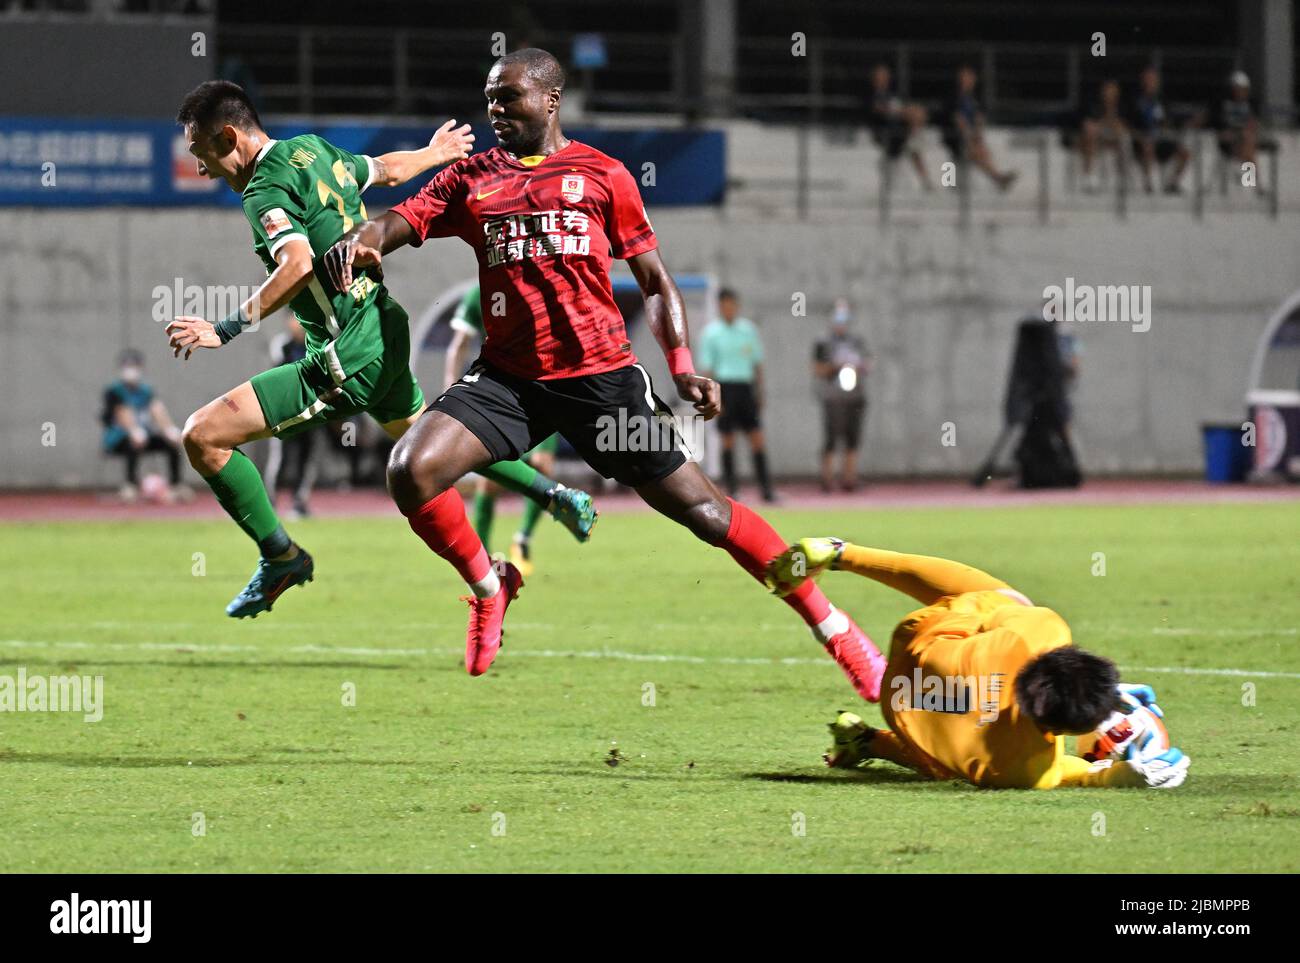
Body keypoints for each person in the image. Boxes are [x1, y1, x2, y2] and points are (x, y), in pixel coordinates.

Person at [324, 48, 883, 696]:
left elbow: (655, 281)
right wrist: (363, 241)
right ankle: (490, 584)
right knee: (410, 470)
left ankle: (836, 629)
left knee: (707, 513)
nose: (496, 110)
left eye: (510, 97)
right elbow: (396, 221)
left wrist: (681, 366)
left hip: (602, 382)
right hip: (510, 381)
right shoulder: (470, 178)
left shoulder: (603, 174)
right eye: (490, 99)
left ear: (551, 99)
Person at [164, 80, 594, 619]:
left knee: (202, 436)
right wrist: (434, 154)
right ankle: (555, 496)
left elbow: (296, 265)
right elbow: (384, 170)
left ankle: (281, 557)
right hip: (384, 330)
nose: (202, 169)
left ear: (229, 137)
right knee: (426, 445)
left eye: (202, 152)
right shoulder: (311, 150)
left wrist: (224, 328)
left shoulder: (263, 190)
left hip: (347, 353)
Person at [765, 538, 1192, 789]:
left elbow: (987, 607)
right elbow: (1077, 773)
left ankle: (840, 553)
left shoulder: (1040, 634)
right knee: (958, 761)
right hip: (903, 714)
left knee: (1011, 600)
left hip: (917, 643)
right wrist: (1120, 775)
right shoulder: (1028, 767)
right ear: (1057, 730)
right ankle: (867, 741)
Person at [444, 284, 593, 575]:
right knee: (491, 478)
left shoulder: (540, 286)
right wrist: (450, 390)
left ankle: (522, 539)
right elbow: (458, 344)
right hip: (497, 392)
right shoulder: (479, 294)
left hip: (542, 388)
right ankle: (483, 554)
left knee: (543, 464)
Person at [698, 288, 775, 502]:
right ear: (719, 307)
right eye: (725, 305)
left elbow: (757, 364)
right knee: (728, 440)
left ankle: (766, 490)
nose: (729, 309)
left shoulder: (748, 330)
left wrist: (759, 391)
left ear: (737, 305)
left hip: (745, 388)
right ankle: (732, 491)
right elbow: (708, 369)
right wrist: (713, 397)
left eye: (732, 304)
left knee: (757, 438)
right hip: (725, 388)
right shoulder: (711, 333)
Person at [102, 349, 186, 502]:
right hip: (119, 437)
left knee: (172, 444)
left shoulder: (145, 390)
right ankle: (130, 485)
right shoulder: (114, 391)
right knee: (133, 443)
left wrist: (168, 429)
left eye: (134, 366)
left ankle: (176, 485)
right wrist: (133, 430)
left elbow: (156, 408)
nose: (131, 370)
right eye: (127, 366)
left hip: (144, 434)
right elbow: (122, 412)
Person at [262, 318, 319, 519]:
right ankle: (269, 502)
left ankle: (299, 502)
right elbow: (280, 374)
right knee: (280, 457)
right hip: (284, 413)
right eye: (295, 320)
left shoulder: (316, 344)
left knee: (306, 457)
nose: (299, 325)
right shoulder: (282, 345)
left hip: (310, 412)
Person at [812, 300, 870, 492]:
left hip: (855, 396)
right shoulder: (823, 342)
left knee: (853, 439)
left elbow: (868, 363)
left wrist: (859, 366)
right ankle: (827, 479)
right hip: (833, 397)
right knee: (831, 439)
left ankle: (849, 478)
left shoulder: (856, 341)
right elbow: (817, 369)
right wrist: (835, 367)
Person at [941, 65, 1017, 191]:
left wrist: (977, 134)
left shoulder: (973, 98)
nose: (970, 81)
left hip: (970, 136)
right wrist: (970, 137)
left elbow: (978, 117)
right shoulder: (954, 97)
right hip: (955, 137)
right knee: (976, 151)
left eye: (971, 78)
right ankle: (998, 178)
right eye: (966, 77)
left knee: (982, 150)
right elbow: (958, 119)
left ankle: (998, 178)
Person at [867, 63, 932, 190]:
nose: (883, 79)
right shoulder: (872, 95)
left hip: (900, 129)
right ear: (874, 78)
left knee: (917, 114)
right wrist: (902, 112)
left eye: (885, 76)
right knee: (913, 140)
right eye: (880, 76)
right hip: (884, 131)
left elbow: (900, 108)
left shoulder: (893, 94)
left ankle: (926, 181)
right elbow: (878, 110)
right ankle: (915, 137)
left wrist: (904, 112)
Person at [1129, 66, 1189, 194]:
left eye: (1153, 80)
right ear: (1142, 81)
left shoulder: (1162, 100)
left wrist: (1167, 129)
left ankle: (1172, 183)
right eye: (1148, 79)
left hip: (1161, 139)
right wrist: (1141, 136)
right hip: (1141, 141)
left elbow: (1167, 121)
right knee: (1148, 146)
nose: (1151, 83)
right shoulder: (1135, 100)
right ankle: (1149, 184)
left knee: (1185, 153)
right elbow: (1129, 125)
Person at [1078, 79, 1129, 193]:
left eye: (1112, 91)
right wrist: (1105, 123)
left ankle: (1122, 177)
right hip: (1097, 138)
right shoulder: (1094, 105)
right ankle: (1089, 176)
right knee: (1090, 132)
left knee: (1124, 136)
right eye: (1107, 91)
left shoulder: (1122, 107)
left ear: (1117, 93)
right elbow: (1090, 123)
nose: (1109, 94)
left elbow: (1123, 125)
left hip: (1115, 138)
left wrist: (1112, 124)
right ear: (1102, 92)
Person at [1214, 70, 1258, 169]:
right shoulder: (1222, 103)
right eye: (1239, 89)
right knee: (1247, 146)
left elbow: (1253, 123)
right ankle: (1247, 171)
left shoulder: (1250, 104)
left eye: (1244, 89)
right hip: (1228, 139)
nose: (1242, 92)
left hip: (1244, 137)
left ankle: (1246, 170)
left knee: (1248, 141)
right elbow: (1218, 126)